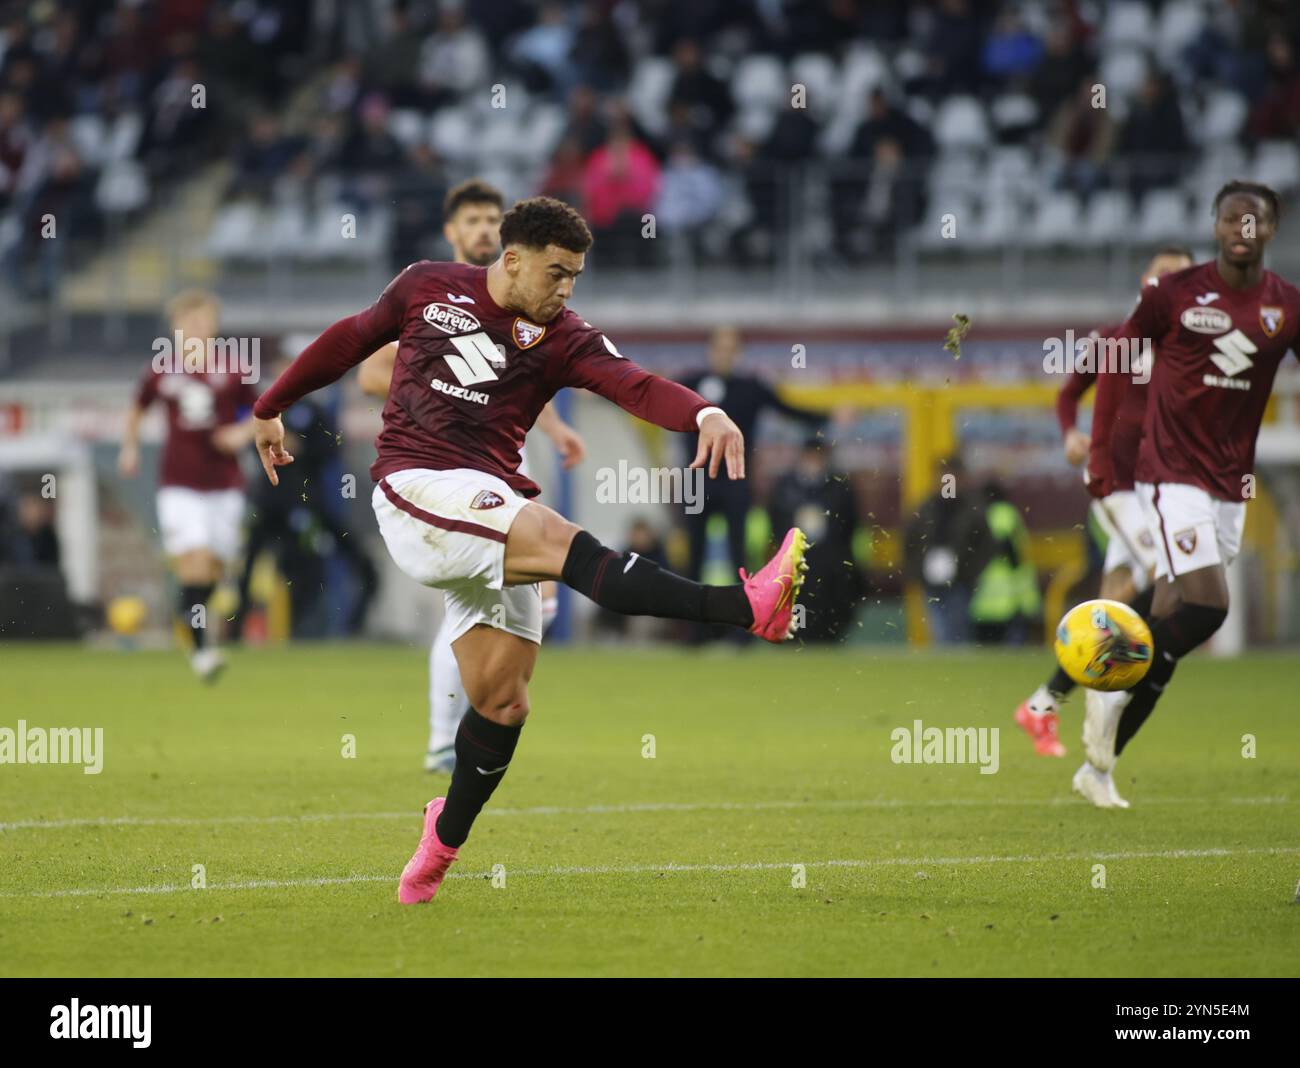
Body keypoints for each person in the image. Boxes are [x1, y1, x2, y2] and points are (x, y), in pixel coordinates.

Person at [250, 196, 809, 903]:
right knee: (553, 535)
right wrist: (268, 407)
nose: (567, 288)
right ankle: (747, 607)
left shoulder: (566, 335)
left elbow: (634, 384)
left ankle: (440, 842)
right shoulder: (426, 285)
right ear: (511, 261)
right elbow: (352, 337)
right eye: (557, 273)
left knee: (504, 698)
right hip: (416, 490)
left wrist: (704, 409)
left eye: (576, 275)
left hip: (486, 508)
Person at [1075, 182, 1299, 808]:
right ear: (1216, 225)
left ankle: (1100, 765)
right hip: (1169, 475)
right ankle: (1110, 680)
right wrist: (1099, 453)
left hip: (1230, 484)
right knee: (1209, 607)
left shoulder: (1287, 306)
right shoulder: (1174, 294)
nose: (1241, 230)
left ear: (1271, 230)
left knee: (1175, 618)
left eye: (1253, 221)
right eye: (1231, 219)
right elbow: (1117, 355)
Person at [356, 178, 585, 772]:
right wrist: (441, 391)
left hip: (509, 459)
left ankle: (475, 721)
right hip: (448, 462)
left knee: (534, 604)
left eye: (491, 219)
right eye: (473, 221)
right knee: (477, 606)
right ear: (452, 232)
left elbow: (528, 377)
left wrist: (556, 429)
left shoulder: (525, 299)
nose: (483, 228)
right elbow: (370, 372)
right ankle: (444, 736)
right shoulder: (433, 294)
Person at [1016, 247, 1195, 756]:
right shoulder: (1116, 340)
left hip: (1166, 487)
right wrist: (1071, 433)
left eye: (1183, 277)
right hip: (1118, 486)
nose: (1172, 283)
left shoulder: (1191, 351)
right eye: (1165, 274)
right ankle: (1123, 678)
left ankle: (1043, 705)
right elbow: (1069, 393)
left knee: (1115, 598)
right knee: (1172, 574)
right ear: (1146, 281)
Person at [118, 290, 256, 681]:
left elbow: (263, 411)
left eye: (203, 322)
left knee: (213, 567)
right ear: (176, 329)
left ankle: (190, 621)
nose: (197, 330)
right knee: (193, 559)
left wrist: (240, 435)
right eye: (189, 323)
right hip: (180, 483)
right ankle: (200, 651)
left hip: (225, 483)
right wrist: (129, 448)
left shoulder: (233, 368)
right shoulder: (162, 370)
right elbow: (136, 406)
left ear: (213, 326)